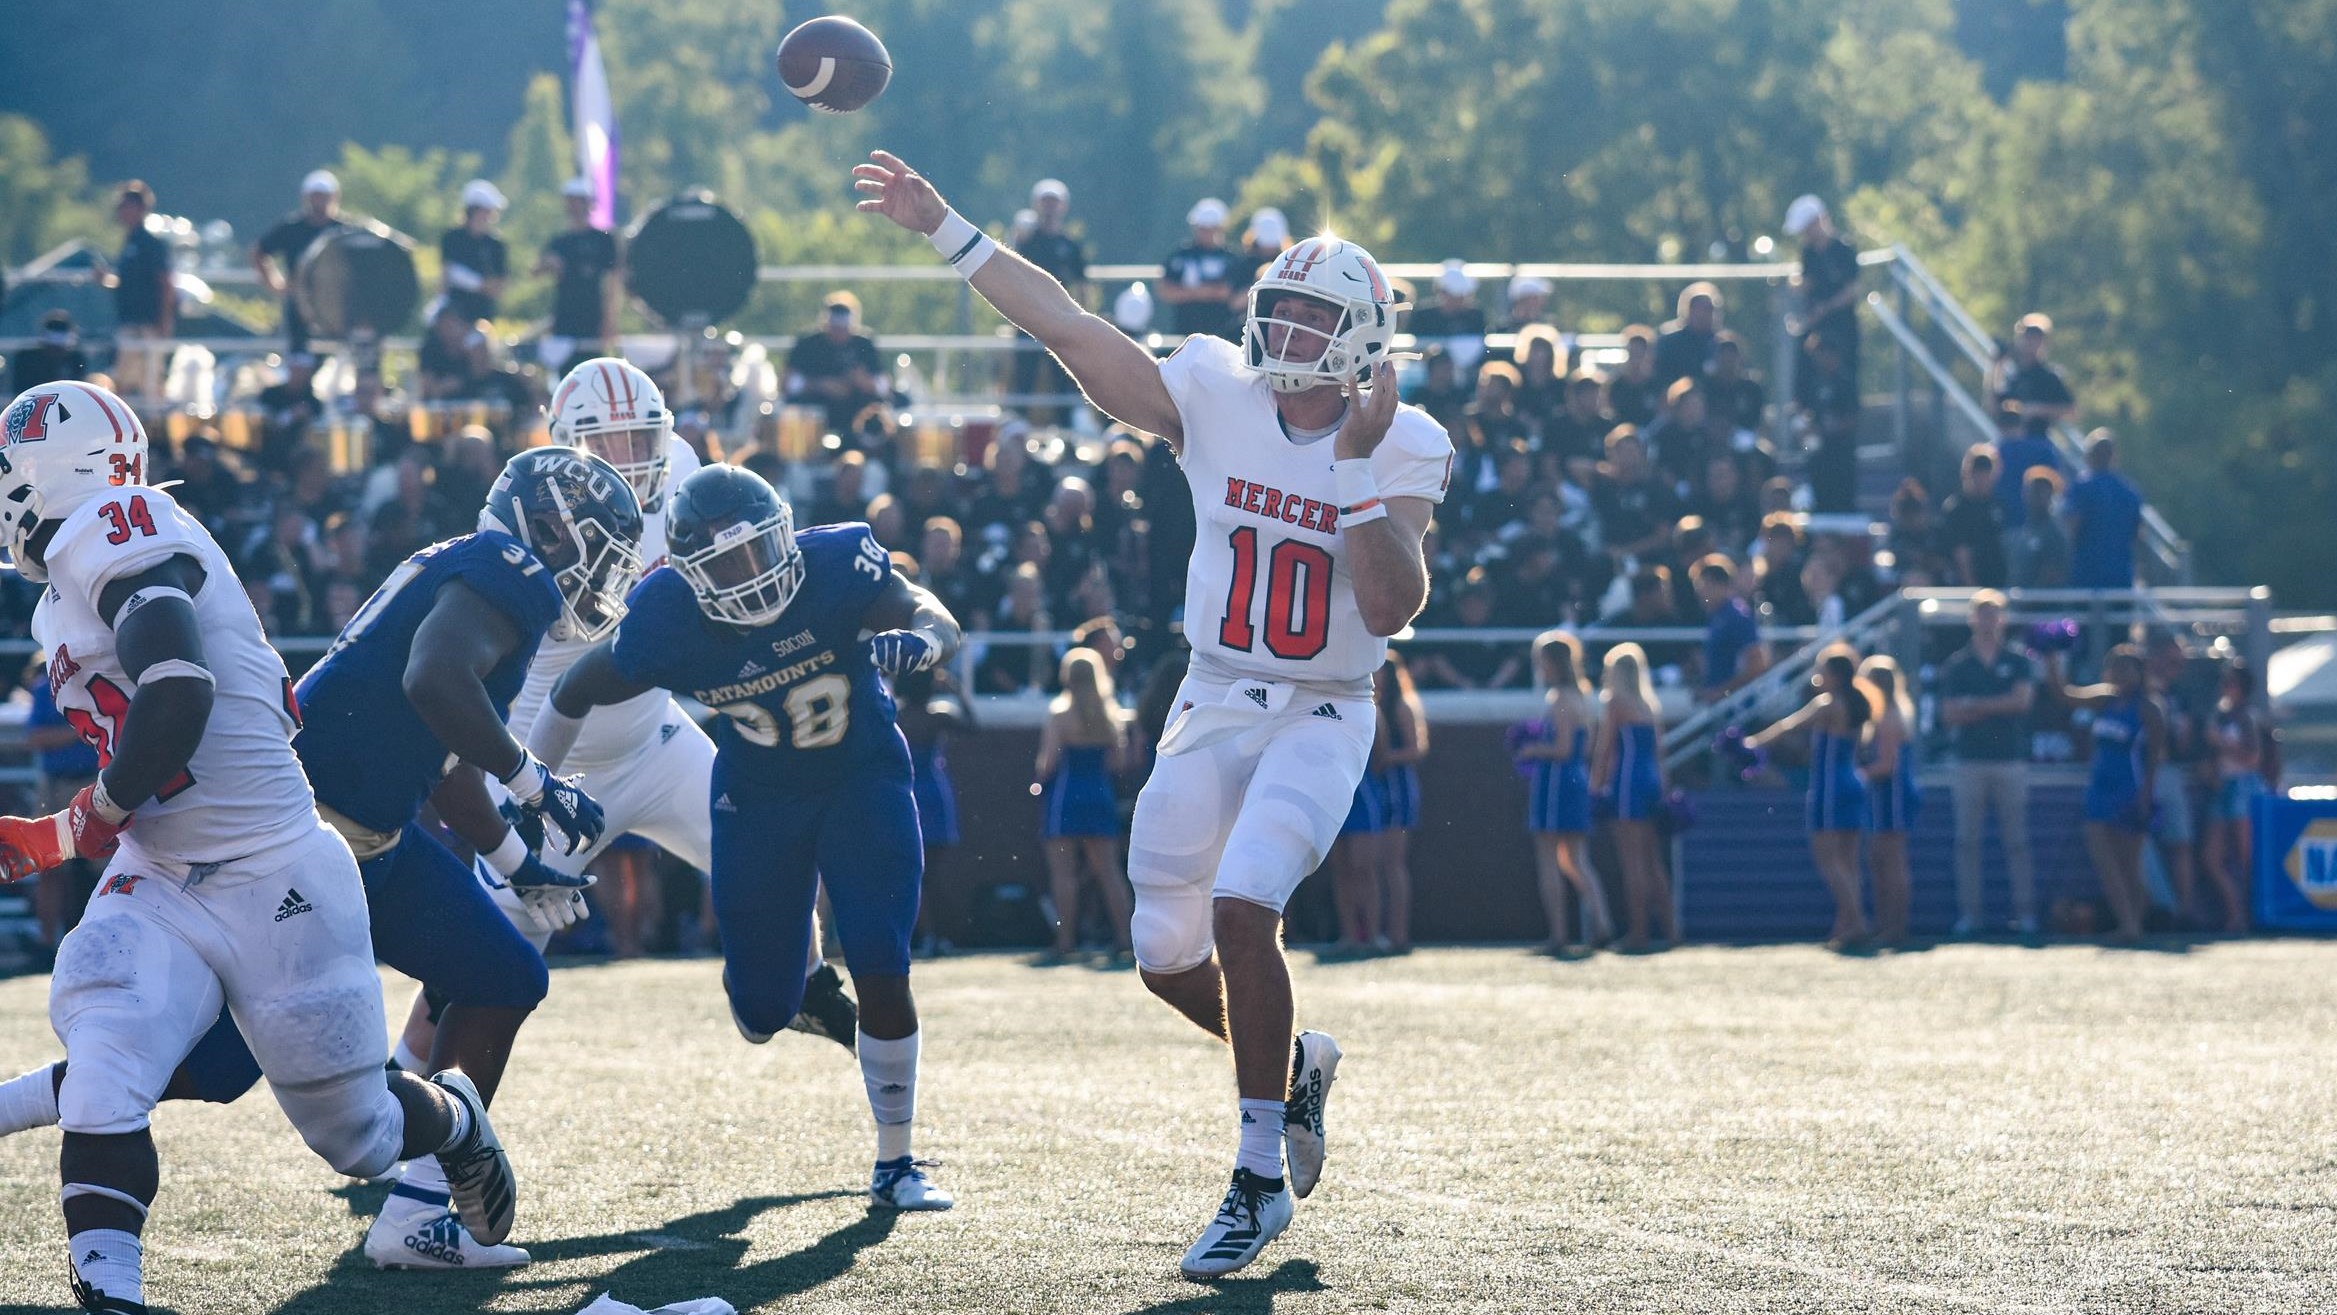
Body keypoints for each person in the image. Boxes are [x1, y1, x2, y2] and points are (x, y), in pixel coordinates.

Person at [855, 149, 1450, 1275]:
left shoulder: (1403, 442)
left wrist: (1360, 471)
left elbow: (1389, 601)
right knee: (1162, 957)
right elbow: (1074, 330)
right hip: (1213, 694)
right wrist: (948, 228)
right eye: (1280, 311)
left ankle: (1256, 1179)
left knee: (1243, 907)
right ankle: (1291, 1074)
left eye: (1317, 319)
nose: (1287, 335)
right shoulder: (1218, 391)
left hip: (1323, 707)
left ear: (1366, 335)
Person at [0, 381, 519, 1307]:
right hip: (161, 868)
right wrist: (78, 828)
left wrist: (81, 821)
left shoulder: (116, 524)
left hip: (274, 866)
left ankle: (454, 1118)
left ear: (54, 470)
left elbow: (177, 685)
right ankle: (109, 1287)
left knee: (355, 1136)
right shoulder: (62, 593)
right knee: (108, 1056)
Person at [390, 361, 858, 1131]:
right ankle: (406, 1091)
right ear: (565, 443)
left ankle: (802, 981)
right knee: (482, 960)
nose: (630, 457)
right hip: (545, 759)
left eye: (640, 436)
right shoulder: (533, 507)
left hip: (654, 734)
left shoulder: (684, 475)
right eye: (606, 440)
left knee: (776, 849)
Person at [536, 462, 966, 1213]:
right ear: (686, 570)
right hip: (756, 801)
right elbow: (572, 689)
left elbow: (930, 610)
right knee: (762, 1012)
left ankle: (894, 1160)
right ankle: (784, 989)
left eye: (758, 551)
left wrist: (924, 640)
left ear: (785, 537)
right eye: (723, 561)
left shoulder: (834, 564)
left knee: (879, 957)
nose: (748, 574)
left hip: (861, 780)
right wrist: (530, 781)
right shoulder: (665, 615)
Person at [1746, 646, 1873, 945]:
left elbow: (1789, 725)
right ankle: (1846, 925)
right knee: (1848, 861)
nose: (1817, 677)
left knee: (1827, 858)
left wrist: (1753, 743)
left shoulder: (1829, 703)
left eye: (1822, 671)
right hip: (1852, 781)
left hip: (1830, 785)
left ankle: (1857, 922)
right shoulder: (1858, 701)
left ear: (1835, 675)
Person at [2046, 644, 2162, 942]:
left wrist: (2147, 795)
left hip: (2131, 792)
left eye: (2127, 669)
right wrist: (2050, 659)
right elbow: (2064, 695)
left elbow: (2154, 759)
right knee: (2104, 861)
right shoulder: (2104, 699)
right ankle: (2128, 923)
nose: (2121, 675)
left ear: (2140, 673)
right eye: (2115, 668)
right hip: (2100, 791)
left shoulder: (2149, 709)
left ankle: (2136, 924)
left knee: (2129, 865)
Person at [1939, 591, 2039, 936]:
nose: (1987, 620)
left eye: (1994, 614)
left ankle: (2025, 913)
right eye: (1982, 614)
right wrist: (1997, 703)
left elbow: (2022, 702)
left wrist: (1976, 706)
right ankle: (1971, 915)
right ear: (1971, 619)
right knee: (1967, 841)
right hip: (1970, 762)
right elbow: (1949, 714)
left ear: (2003, 619)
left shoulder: (2018, 660)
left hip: (2010, 761)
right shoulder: (1959, 664)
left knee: (2017, 841)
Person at [1035, 647, 1134, 961]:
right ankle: (1125, 938)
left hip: (1066, 796)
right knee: (1109, 871)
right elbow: (1119, 762)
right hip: (1099, 794)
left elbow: (1047, 765)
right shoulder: (1110, 714)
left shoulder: (1060, 714)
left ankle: (1066, 941)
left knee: (1063, 873)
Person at [1517, 631, 1612, 953]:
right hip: (1573, 779)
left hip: (1557, 781)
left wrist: (1531, 750)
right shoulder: (1581, 697)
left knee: (1550, 858)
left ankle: (1559, 934)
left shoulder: (1560, 698)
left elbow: (1562, 748)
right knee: (1575, 858)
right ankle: (1601, 921)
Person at [1591, 643, 1674, 951]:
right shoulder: (1649, 705)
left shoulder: (1616, 702)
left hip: (1627, 781)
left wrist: (1594, 786)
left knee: (1632, 862)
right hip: (1651, 780)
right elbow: (1659, 754)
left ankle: (1638, 934)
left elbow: (1605, 748)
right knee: (1653, 861)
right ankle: (1671, 930)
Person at [897, 661, 973, 956]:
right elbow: (973, 725)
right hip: (935, 793)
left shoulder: (897, 715)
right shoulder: (938, 715)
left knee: (918, 873)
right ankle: (939, 935)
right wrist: (957, 690)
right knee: (935, 873)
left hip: (907, 792)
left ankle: (928, 935)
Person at [1009, 178, 1088, 422]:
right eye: (1045, 202)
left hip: (1061, 319)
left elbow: (1082, 283)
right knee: (1023, 378)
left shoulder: (1070, 245)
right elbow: (1009, 271)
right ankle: (1016, 429)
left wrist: (1083, 319)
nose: (1049, 207)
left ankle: (1067, 435)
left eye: (1054, 202)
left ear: (1063, 206)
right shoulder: (1026, 241)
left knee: (1064, 379)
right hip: (1028, 319)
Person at [1858, 655, 1919, 946]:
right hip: (1884, 794)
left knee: (1891, 860)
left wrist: (1858, 774)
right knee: (1879, 860)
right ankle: (1886, 925)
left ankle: (1895, 927)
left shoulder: (1888, 718)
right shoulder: (1887, 714)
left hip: (1890, 794)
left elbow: (1886, 765)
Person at [1368, 654, 1427, 953]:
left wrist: (1385, 758)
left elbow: (1415, 750)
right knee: (1376, 864)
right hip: (1381, 788)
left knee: (1393, 864)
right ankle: (1376, 933)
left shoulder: (1401, 706)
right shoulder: (1371, 705)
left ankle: (1398, 935)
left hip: (1398, 788)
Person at [2201, 661, 2265, 934]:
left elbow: (2253, 758)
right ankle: (2235, 911)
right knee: (2211, 857)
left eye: (2232, 683)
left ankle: (2254, 915)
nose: (2225, 688)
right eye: (2223, 682)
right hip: (2222, 787)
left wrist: (2223, 743)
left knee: (2246, 855)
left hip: (2243, 787)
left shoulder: (2247, 717)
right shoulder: (2218, 715)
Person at [535, 178, 623, 375]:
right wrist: (547, 264)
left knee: (594, 371)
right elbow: (536, 271)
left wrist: (609, 318)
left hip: (592, 316)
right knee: (566, 374)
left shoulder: (603, 240)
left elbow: (614, 280)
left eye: (579, 201)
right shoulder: (560, 241)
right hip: (565, 317)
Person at [253, 170, 347, 353]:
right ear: (307, 197)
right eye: (316, 196)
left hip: (336, 307)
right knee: (299, 358)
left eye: (324, 196)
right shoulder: (292, 228)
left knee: (335, 355)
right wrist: (275, 284)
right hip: (300, 305)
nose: (320, 201)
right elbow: (258, 252)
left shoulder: (344, 230)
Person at [786, 292, 890, 435]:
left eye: (844, 328)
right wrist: (821, 385)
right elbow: (788, 384)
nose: (839, 333)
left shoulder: (864, 344)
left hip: (856, 413)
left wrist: (862, 382)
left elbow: (883, 386)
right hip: (816, 413)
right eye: (835, 328)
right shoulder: (808, 344)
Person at [107, 181, 175, 400]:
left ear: (140, 209)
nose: (121, 212)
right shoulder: (129, 243)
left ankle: (153, 428)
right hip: (129, 321)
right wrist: (106, 280)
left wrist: (164, 320)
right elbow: (127, 283)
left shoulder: (150, 243)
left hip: (148, 323)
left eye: (125, 206)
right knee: (123, 379)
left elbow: (165, 283)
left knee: (151, 379)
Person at [1785, 195, 1860, 384]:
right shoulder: (1808, 252)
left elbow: (1851, 290)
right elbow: (1809, 281)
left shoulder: (1844, 249)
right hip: (1817, 327)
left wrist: (1826, 308)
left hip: (1842, 326)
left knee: (1844, 377)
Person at [2064, 429, 2143, 591]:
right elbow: (2137, 534)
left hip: (2086, 575)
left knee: (2083, 616)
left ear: (2089, 456)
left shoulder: (2081, 487)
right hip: (2121, 576)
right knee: (2119, 616)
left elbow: (2072, 527)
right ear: (2114, 456)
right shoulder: (2129, 491)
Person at [1159, 197, 1242, 341]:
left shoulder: (1233, 259)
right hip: (1184, 332)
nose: (1206, 234)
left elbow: (1231, 294)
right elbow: (1165, 290)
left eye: (1211, 229)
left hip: (1223, 333)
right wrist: (1203, 292)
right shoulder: (1181, 255)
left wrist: (1191, 291)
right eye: (1202, 229)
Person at [1987, 313, 2078, 439]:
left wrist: (2037, 410)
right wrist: (1996, 368)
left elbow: (2071, 411)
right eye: (2027, 337)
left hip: (2036, 442)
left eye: (2036, 338)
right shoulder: (2013, 376)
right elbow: (1994, 408)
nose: (2030, 342)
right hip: (2010, 441)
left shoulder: (2049, 377)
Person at [1693, 554, 1767, 703]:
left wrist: (1723, 692)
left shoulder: (1737, 616)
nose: (1700, 592)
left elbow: (1757, 665)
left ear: (1720, 585)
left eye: (1704, 585)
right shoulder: (1718, 615)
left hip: (1736, 708)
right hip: (1722, 705)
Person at [439, 179, 510, 324]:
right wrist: (481, 285)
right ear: (473, 210)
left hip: (483, 316)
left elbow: (499, 287)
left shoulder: (496, 245)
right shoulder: (452, 238)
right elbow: (446, 275)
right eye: (485, 210)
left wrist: (471, 282)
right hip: (454, 314)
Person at [1938, 446, 2008, 588]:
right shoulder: (1956, 508)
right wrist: (1971, 587)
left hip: (1997, 580)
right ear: (1968, 473)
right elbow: (1960, 553)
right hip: (1967, 585)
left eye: (1987, 473)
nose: (1983, 478)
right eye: (1978, 472)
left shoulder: (1997, 505)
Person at [1653, 282, 1722, 390]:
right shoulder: (1669, 344)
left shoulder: (1722, 345)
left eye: (1707, 309)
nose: (1702, 314)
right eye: (1697, 308)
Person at [9, 310, 91, 396]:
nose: (55, 353)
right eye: (52, 347)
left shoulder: (76, 360)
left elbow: (78, 390)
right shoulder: (26, 359)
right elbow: (20, 390)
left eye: (59, 349)